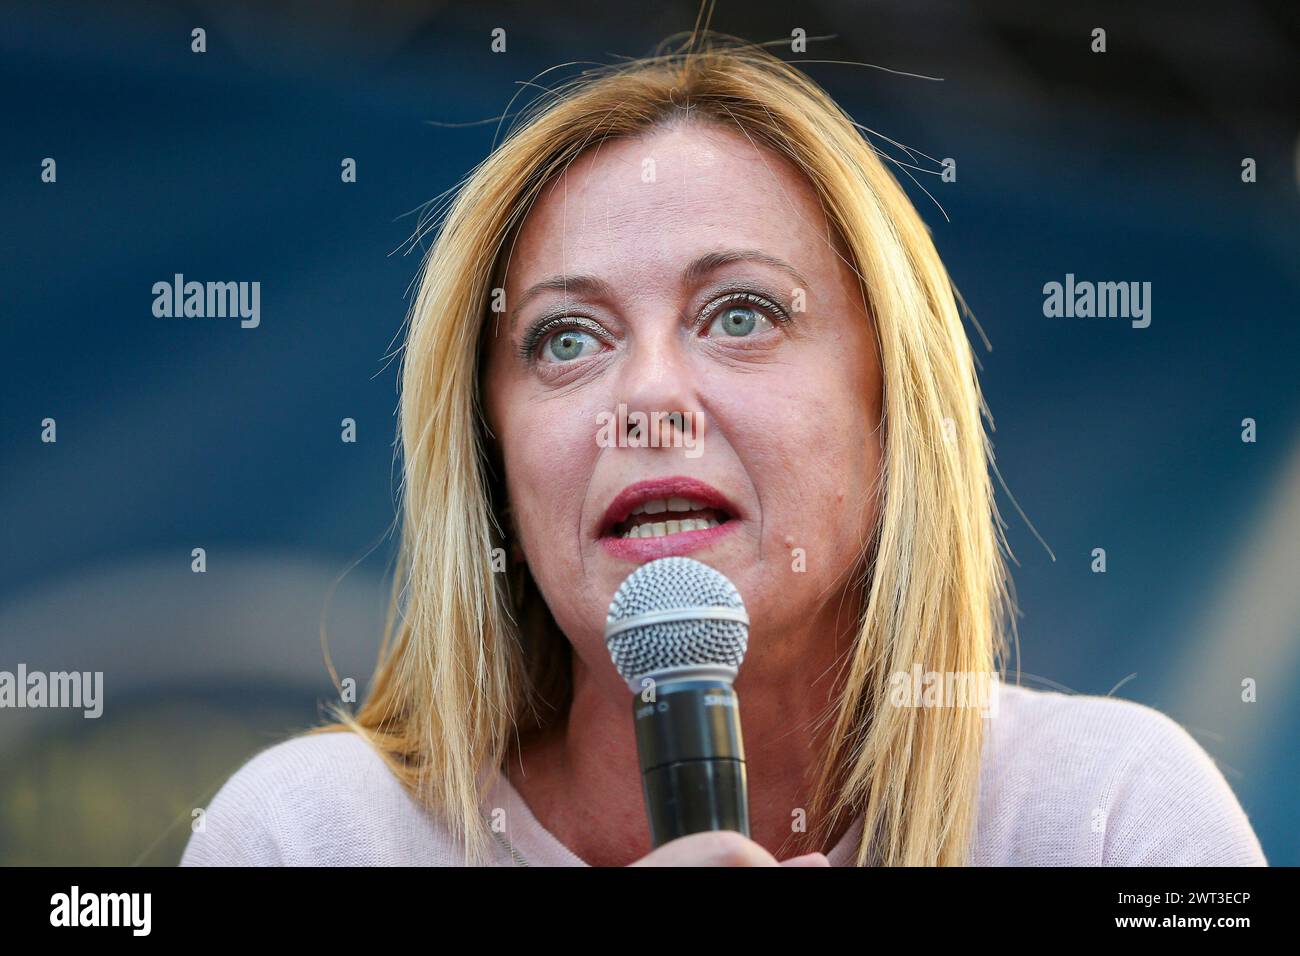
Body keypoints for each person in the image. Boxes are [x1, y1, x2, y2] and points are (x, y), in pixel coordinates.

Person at [181, 32, 1266, 867]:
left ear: (892, 406)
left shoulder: (1108, 814)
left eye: (740, 313)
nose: (647, 394)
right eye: (568, 338)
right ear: (491, 455)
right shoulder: (312, 837)